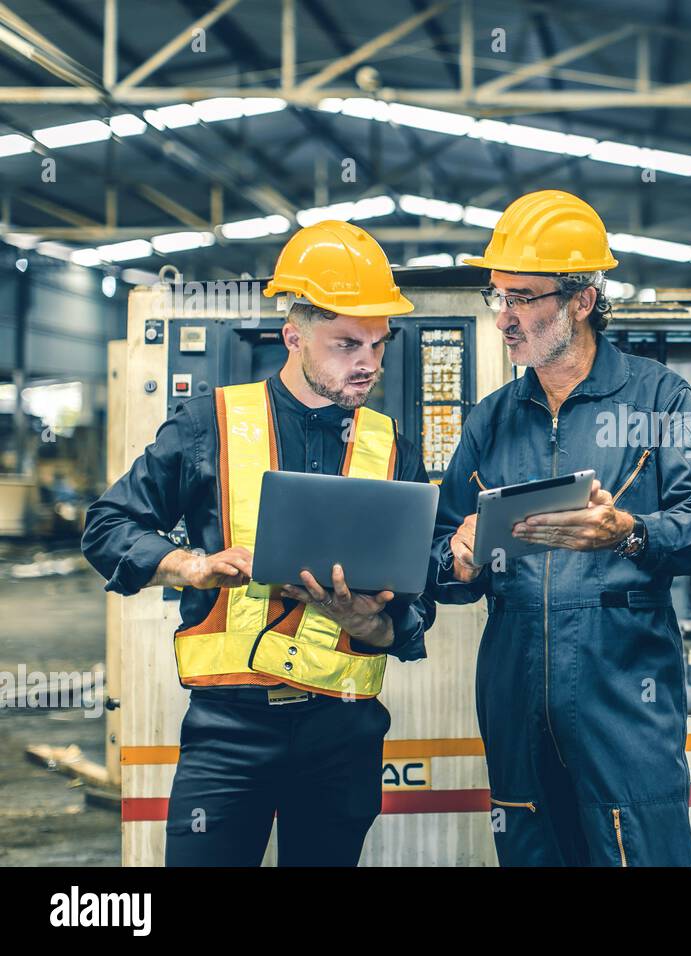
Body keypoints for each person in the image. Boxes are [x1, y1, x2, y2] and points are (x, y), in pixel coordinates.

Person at [82, 220, 434, 866]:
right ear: (292, 337)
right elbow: (105, 527)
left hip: (343, 736)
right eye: (348, 344)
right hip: (227, 737)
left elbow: (415, 617)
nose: (369, 364)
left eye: (380, 345)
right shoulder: (208, 425)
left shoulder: (392, 452)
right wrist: (190, 565)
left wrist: (370, 622)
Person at [432, 190, 691, 866]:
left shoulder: (658, 401)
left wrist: (629, 532)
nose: (504, 317)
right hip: (515, 694)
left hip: (623, 692)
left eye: (522, 297)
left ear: (582, 300)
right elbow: (441, 565)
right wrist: (456, 558)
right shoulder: (489, 422)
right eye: (497, 297)